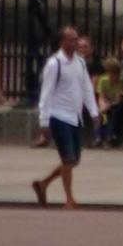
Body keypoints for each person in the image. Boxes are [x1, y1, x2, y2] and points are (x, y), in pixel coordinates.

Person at [32, 22, 97, 207]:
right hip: (59, 116)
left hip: (75, 116)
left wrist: (93, 111)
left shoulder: (80, 62)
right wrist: (44, 121)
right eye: (72, 40)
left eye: (77, 39)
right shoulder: (55, 64)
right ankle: (69, 199)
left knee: (73, 160)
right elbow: (46, 92)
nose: (76, 43)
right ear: (62, 41)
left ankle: (43, 184)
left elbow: (86, 89)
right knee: (67, 158)